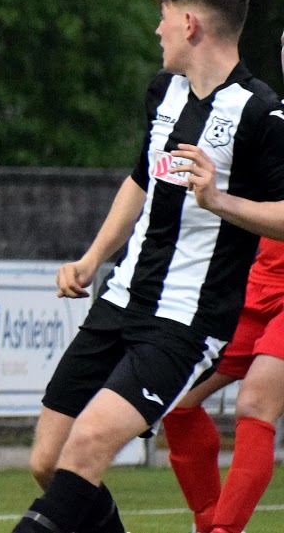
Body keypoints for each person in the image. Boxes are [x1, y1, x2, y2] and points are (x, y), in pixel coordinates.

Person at [12, 0, 284, 533]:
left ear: (190, 25)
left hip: (185, 319)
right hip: (121, 300)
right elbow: (140, 181)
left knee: (87, 446)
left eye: (163, 17)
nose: (156, 29)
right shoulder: (165, 91)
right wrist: (92, 258)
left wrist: (218, 200)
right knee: (48, 462)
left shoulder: (260, 113)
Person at [162, 27, 284, 533]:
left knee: (255, 401)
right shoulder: (269, 115)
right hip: (257, 288)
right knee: (175, 399)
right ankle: (210, 520)